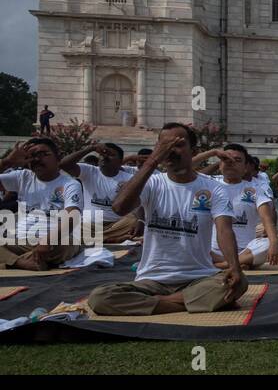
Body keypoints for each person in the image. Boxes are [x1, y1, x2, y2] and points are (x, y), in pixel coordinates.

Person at [86, 124, 247, 315]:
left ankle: (158, 303)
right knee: (100, 297)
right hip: (152, 281)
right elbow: (120, 207)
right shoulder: (152, 183)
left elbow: (224, 230)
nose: (170, 150)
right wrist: (153, 160)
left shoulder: (214, 188)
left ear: (193, 151)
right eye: (164, 144)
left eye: (177, 144)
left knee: (239, 282)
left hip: (198, 278)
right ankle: (191, 303)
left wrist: (235, 268)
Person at [0, 138, 84, 271]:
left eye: (43, 154)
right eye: (32, 156)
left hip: (54, 243)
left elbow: (72, 216)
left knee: (67, 244)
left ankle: (10, 260)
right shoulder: (22, 177)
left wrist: (47, 241)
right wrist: (6, 162)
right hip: (21, 241)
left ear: (58, 158)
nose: (37, 159)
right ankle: (22, 263)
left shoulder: (70, 184)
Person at [206, 145, 278, 270]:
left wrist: (274, 242)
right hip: (212, 251)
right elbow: (185, 171)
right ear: (219, 164)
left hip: (245, 250)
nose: (231, 163)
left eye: (237, 160)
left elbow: (266, 218)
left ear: (246, 167)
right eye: (226, 159)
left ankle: (224, 265)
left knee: (267, 244)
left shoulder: (255, 189)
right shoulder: (208, 184)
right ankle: (239, 263)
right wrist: (212, 152)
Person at [58, 141, 141, 243]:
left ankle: (98, 239)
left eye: (111, 155)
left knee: (132, 220)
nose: (105, 157)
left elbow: (138, 205)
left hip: (115, 225)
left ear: (120, 162)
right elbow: (64, 164)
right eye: (102, 155)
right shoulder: (89, 171)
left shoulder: (130, 179)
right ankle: (109, 239)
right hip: (88, 225)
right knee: (69, 224)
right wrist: (91, 148)